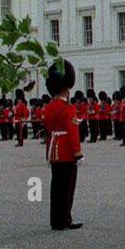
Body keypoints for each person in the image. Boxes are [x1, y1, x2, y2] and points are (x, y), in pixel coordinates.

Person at [44, 60, 83, 230]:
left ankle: (56, 221)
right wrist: (78, 153)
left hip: (54, 151)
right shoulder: (68, 108)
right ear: (66, 89)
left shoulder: (49, 107)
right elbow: (72, 133)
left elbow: (48, 131)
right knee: (67, 188)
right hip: (67, 153)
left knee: (56, 188)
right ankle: (66, 219)